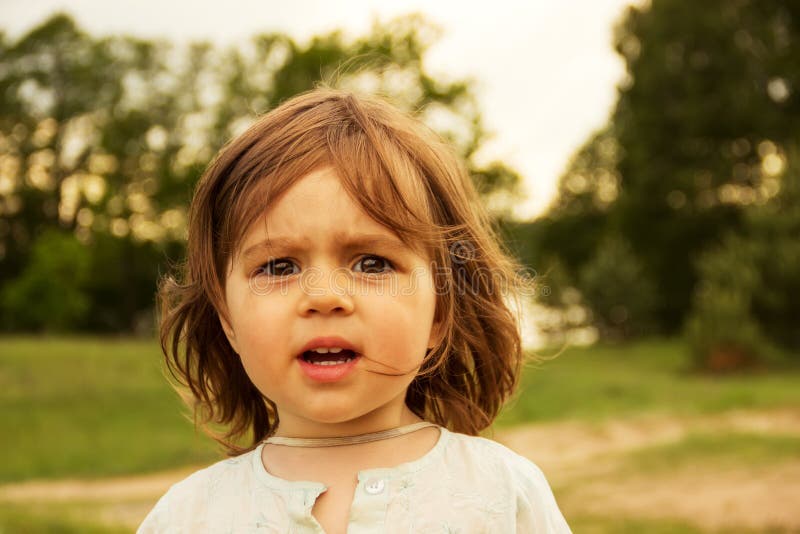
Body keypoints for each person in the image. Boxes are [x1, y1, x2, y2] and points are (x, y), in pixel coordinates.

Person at [139, 88, 571, 533]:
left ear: (439, 315)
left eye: (372, 263)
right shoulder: (188, 517)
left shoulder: (500, 493)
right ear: (227, 318)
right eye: (279, 266)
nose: (324, 296)